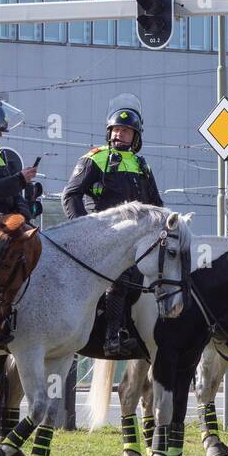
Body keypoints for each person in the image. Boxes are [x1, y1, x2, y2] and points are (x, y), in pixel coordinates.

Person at [61, 96, 162, 358]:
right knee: (119, 277)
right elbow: (70, 195)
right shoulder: (94, 158)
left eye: (125, 131)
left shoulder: (142, 165)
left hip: (137, 241)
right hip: (103, 237)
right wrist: (85, 229)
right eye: (116, 129)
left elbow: (156, 204)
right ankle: (112, 336)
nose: (119, 134)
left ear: (135, 137)